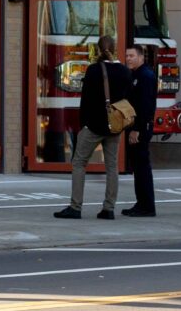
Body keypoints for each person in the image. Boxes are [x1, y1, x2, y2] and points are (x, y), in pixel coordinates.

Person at [54, 35, 129, 221]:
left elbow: (85, 100)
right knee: (112, 166)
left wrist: (83, 125)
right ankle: (109, 208)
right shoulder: (124, 71)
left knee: (79, 163)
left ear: (97, 50)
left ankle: (75, 206)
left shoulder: (94, 70)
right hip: (115, 125)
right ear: (115, 48)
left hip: (94, 125)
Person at [122, 43, 159, 218]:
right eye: (127, 56)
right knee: (138, 166)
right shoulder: (135, 74)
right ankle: (141, 203)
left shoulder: (145, 76)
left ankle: (147, 206)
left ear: (141, 57)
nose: (128, 59)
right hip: (134, 125)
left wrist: (137, 129)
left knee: (142, 166)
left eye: (132, 56)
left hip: (141, 126)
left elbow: (145, 106)